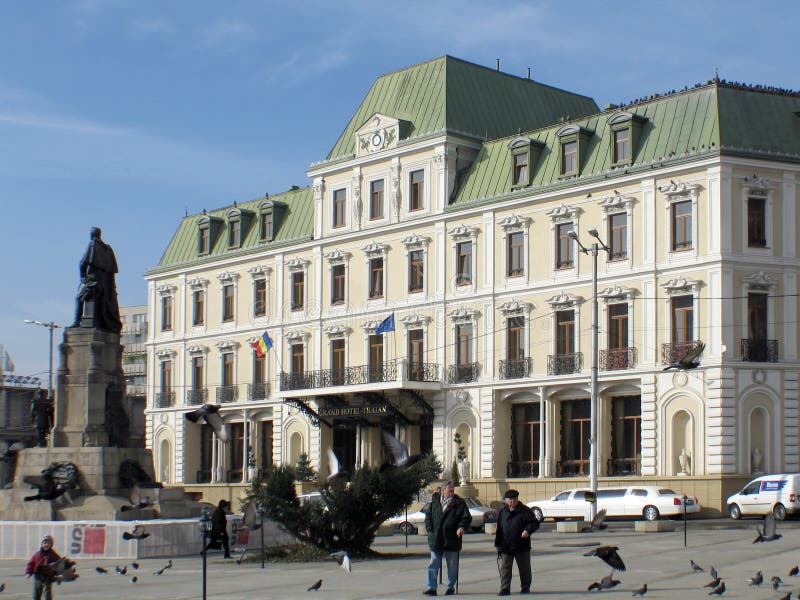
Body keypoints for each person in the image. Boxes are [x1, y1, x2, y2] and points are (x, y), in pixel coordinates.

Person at [423, 481, 471, 596]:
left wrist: (461, 527)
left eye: (453, 490)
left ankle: (450, 587)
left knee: (452, 564)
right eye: (450, 490)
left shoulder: (459, 503)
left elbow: (466, 517)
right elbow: (428, 517)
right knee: (434, 563)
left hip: (452, 538)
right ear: (443, 490)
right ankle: (431, 588)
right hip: (437, 538)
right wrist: (430, 531)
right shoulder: (434, 502)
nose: (452, 491)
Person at [72, 226, 122, 333]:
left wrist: (82, 276)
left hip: (93, 282)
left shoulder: (93, 244)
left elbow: (83, 262)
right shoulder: (108, 249)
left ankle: (76, 322)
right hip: (105, 287)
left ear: (92, 235)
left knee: (79, 297)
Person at [494, 489, 539, 596]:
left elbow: (534, 523)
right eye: (510, 499)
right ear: (505, 500)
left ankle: (525, 587)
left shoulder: (525, 510)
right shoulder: (502, 512)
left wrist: (527, 530)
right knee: (505, 569)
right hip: (506, 545)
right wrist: (498, 543)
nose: (513, 501)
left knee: (524, 569)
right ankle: (505, 589)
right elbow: (499, 528)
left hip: (521, 545)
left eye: (515, 499)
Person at [25, 535, 61, 600]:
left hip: (48, 576)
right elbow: (31, 563)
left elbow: (59, 563)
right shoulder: (38, 554)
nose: (46, 545)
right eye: (45, 543)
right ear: (42, 544)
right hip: (38, 575)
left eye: (48, 543)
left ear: (51, 545)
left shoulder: (53, 554)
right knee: (37, 591)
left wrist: (58, 574)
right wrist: (28, 572)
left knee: (47, 592)